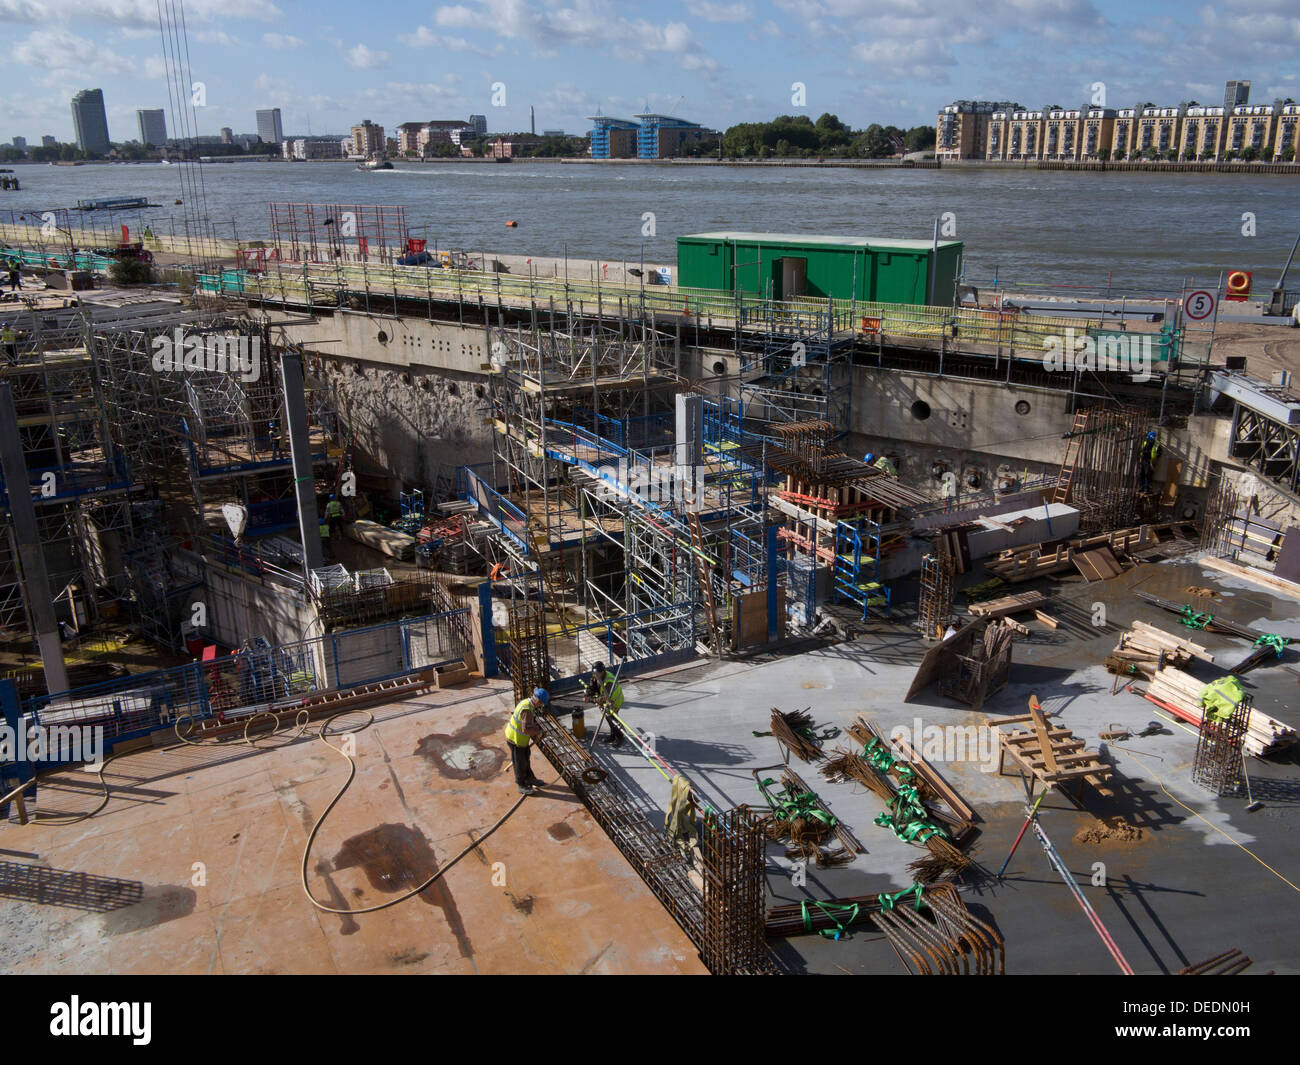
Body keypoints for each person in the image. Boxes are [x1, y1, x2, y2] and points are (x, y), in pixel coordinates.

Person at [504, 688, 548, 794]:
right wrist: (538, 732)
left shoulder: (526, 702)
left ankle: (530, 778)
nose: (541, 706)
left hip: (520, 740)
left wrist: (536, 728)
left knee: (525, 759)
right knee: (519, 763)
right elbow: (525, 729)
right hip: (515, 740)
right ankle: (521, 785)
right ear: (538, 701)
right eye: (541, 703)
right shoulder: (527, 710)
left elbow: (527, 724)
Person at [586, 661, 626, 748]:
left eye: (597, 674)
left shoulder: (609, 681)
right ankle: (612, 736)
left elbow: (603, 698)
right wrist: (588, 693)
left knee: (613, 719)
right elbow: (592, 685)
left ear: (603, 672)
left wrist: (590, 699)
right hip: (606, 701)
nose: (595, 676)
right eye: (594, 674)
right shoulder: (597, 675)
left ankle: (620, 736)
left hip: (614, 702)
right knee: (609, 719)